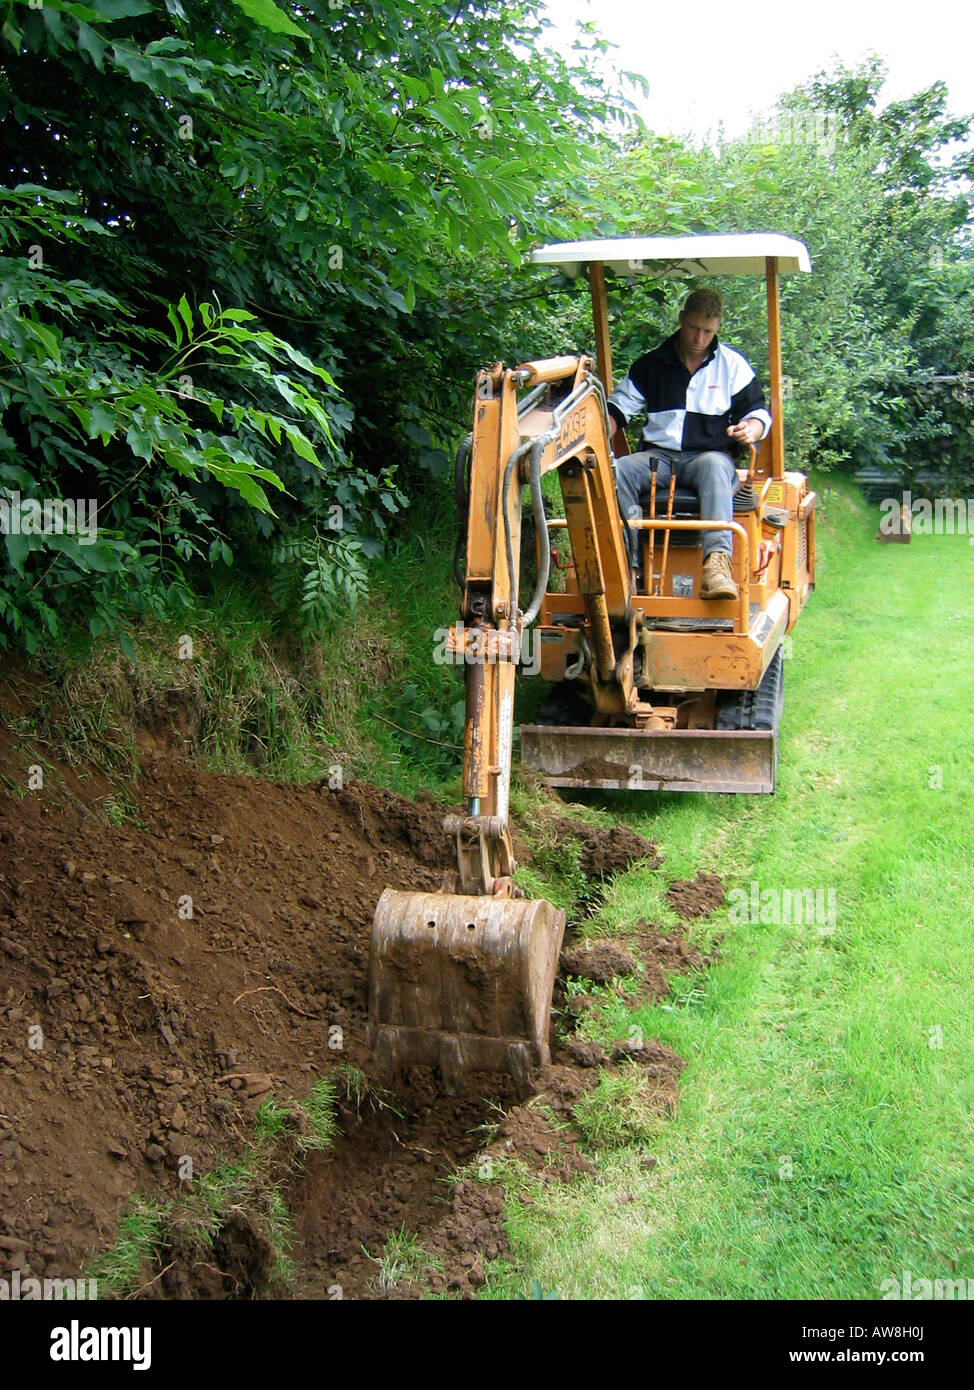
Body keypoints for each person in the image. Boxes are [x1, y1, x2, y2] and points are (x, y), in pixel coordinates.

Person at [607, 289, 770, 600]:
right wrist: (598, 429)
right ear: (682, 320)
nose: (699, 338)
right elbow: (618, 409)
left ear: (717, 326)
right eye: (694, 328)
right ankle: (627, 568)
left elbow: (758, 411)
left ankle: (716, 567)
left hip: (709, 455)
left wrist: (752, 427)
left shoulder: (732, 365)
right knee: (618, 470)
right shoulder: (651, 365)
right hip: (658, 457)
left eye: (707, 331)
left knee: (713, 467)